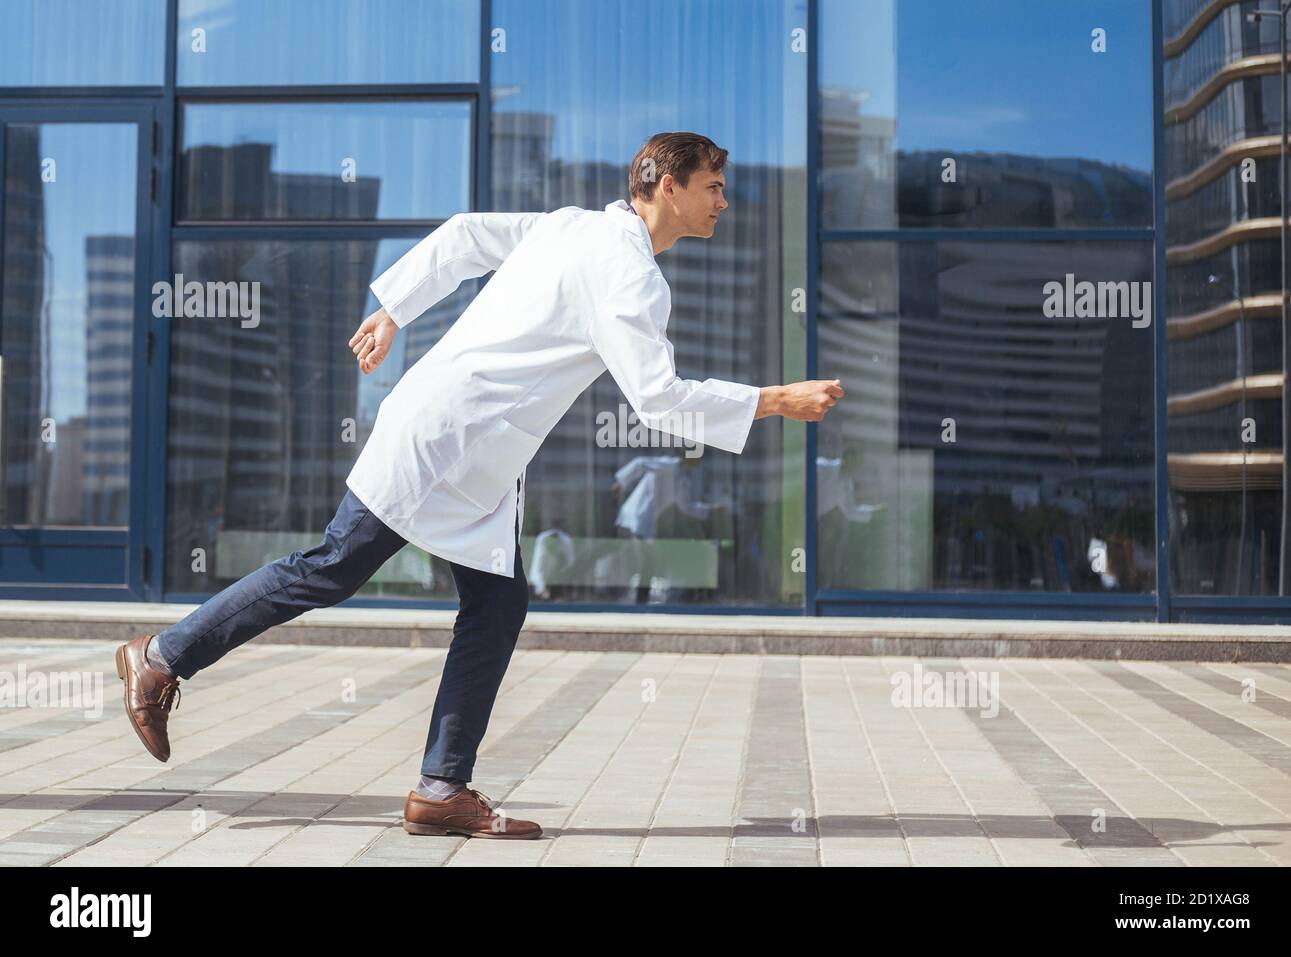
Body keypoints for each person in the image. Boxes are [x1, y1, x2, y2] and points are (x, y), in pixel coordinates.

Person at [114, 131, 845, 840]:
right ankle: (161, 657)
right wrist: (777, 399)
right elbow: (656, 398)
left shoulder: (568, 227)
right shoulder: (628, 273)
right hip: (445, 439)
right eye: (713, 186)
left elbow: (465, 235)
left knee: (495, 603)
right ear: (667, 184)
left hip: (469, 451)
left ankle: (440, 789)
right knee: (333, 566)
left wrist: (397, 306)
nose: (724, 200)